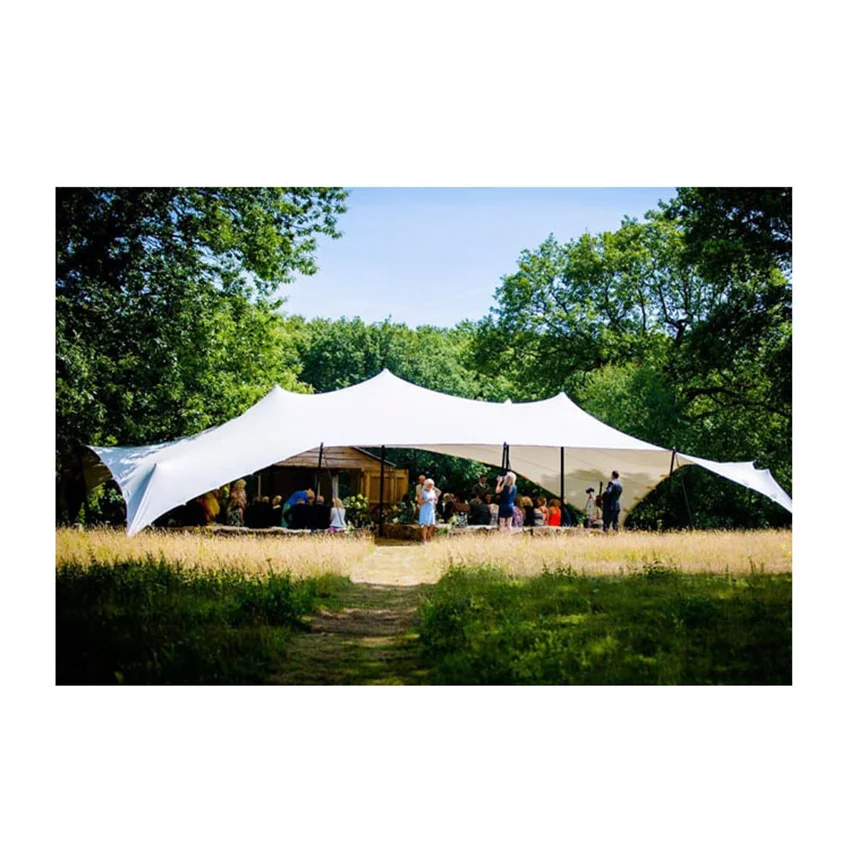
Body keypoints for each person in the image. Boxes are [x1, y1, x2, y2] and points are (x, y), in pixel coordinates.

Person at [418, 477, 438, 543]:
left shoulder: (433, 492)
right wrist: (426, 500)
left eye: (431, 485)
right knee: (425, 524)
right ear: (426, 484)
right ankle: (424, 539)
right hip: (424, 510)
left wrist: (435, 501)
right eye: (429, 484)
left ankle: (428, 534)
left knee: (433, 524)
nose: (430, 486)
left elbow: (436, 500)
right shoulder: (422, 492)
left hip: (431, 509)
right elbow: (419, 501)